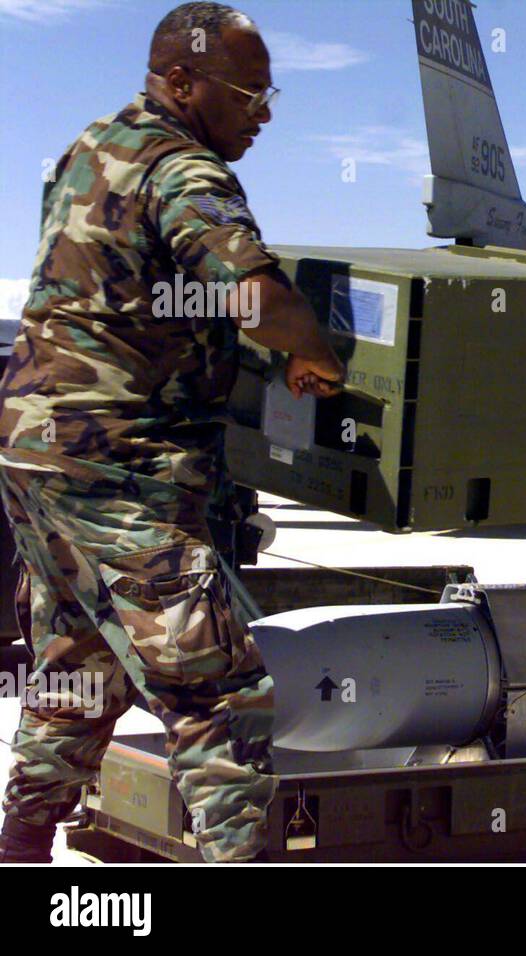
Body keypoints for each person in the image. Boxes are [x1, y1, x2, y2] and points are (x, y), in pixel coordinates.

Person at [0, 2, 344, 863]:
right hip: (122, 463)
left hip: (41, 453)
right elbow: (250, 295)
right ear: (181, 80)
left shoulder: (91, 149)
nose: (260, 115)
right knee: (217, 691)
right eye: (246, 94)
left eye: (271, 97)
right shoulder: (184, 168)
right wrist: (313, 350)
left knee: (76, 665)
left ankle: (20, 844)